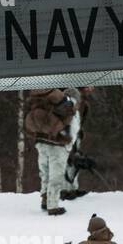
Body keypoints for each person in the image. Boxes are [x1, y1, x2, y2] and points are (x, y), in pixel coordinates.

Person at [27, 88, 80, 216]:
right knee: (56, 176)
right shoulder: (71, 108)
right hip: (58, 145)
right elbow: (74, 129)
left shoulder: (50, 105)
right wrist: (69, 146)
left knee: (44, 173)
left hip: (42, 141)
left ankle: (45, 200)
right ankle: (53, 206)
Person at [61, 87, 94, 201]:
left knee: (74, 163)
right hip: (69, 138)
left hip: (73, 137)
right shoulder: (70, 105)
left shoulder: (79, 104)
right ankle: (66, 189)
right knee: (68, 163)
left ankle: (72, 188)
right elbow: (72, 124)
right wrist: (71, 140)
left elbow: (78, 123)